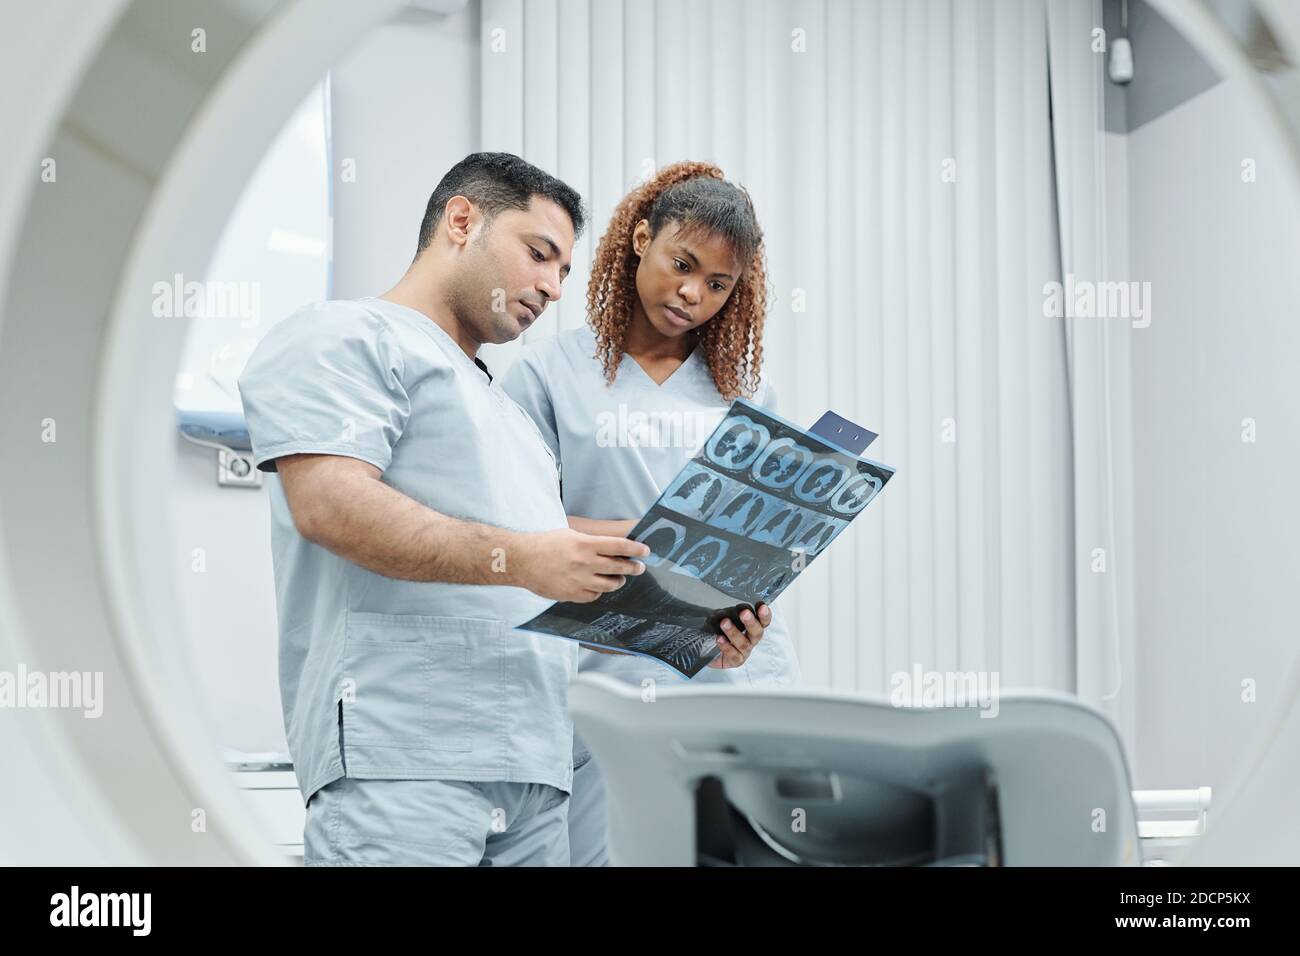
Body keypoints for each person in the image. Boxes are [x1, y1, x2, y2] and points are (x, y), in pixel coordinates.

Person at [237, 152, 681, 866]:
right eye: (540, 254)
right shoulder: (346, 336)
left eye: (565, 272)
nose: (552, 286)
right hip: (406, 757)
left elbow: (542, 588)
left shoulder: (509, 423)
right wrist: (530, 558)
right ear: (463, 220)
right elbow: (328, 504)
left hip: (536, 774)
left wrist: (691, 622)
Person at [501, 160, 802, 866]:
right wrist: (655, 541)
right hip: (598, 679)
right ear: (641, 238)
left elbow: (762, 546)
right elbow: (514, 519)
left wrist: (750, 618)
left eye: (718, 285)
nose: (692, 293)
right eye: (682, 264)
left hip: (725, 677)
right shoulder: (549, 374)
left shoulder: (744, 393)